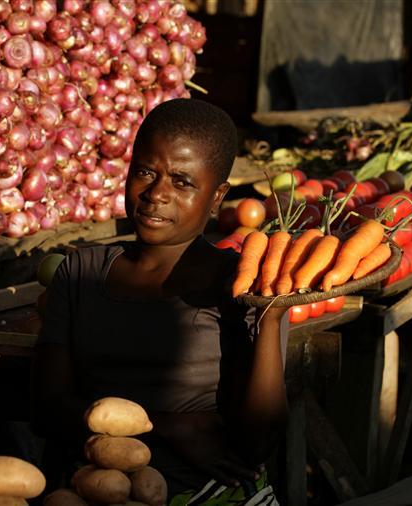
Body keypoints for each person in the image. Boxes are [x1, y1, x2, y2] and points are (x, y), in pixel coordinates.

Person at [31, 99, 289, 505]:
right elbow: (47, 408)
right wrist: (166, 427)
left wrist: (272, 319)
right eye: (146, 172)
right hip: (97, 487)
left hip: (207, 491)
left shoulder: (242, 283)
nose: (156, 194)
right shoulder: (81, 272)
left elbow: (258, 443)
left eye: (182, 182)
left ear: (218, 195)